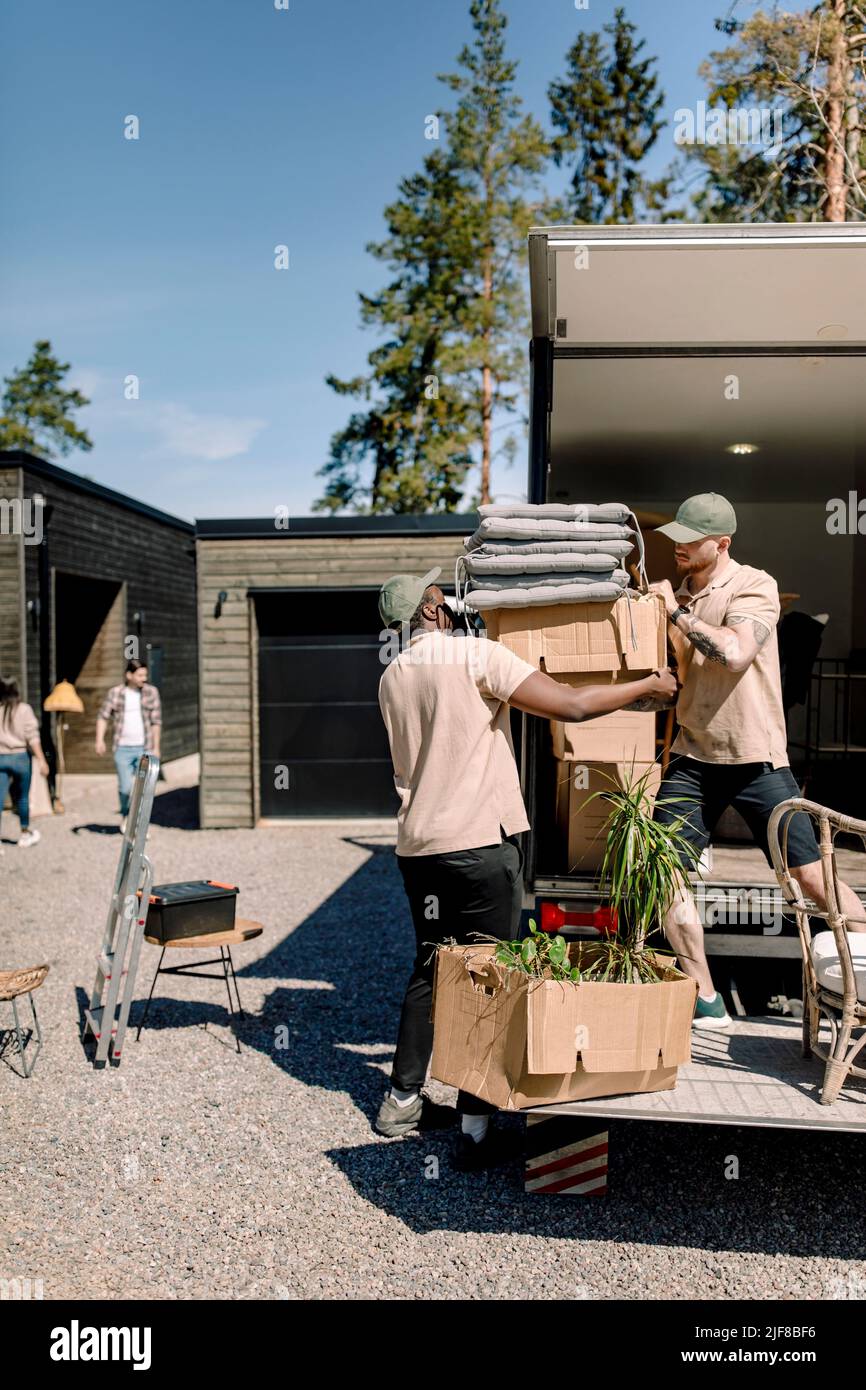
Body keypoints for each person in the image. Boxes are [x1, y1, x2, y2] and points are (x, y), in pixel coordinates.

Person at [376, 567, 678, 1168]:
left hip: (420, 847)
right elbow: (570, 705)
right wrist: (648, 683)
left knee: (432, 967)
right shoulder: (475, 656)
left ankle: (401, 1102)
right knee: (487, 977)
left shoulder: (392, 677)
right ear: (432, 610)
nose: (452, 604)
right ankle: (474, 1131)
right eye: (442, 598)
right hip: (478, 846)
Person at [649, 493, 865, 1030]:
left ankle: (861, 980)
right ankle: (705, 997)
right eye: (676, 537)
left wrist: (675, 612)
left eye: (690, 539)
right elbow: (682, 677)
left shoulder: (753, 585)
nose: (678, 547)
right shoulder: (679, 594)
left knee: (812, 878)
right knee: (659, 870)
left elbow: (736, 653)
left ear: (721, 544)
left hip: (755, 758)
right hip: (693, 756)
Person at [95, 659, 162, 822]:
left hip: (144, 748)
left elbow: (156, 721)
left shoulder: (151, 692)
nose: (144, 678)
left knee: (144, 789)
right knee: (125, 788)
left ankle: (139, 824)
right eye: (140, 675)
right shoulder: (116, 693)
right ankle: (126, 816)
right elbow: (103, 717)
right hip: (122, 748)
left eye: (145, 675)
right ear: (129, 675)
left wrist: (156, 747)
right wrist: (99, 740)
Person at [0, 676, 50, 848]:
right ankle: (24, 833)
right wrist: (42, 760)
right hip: (20, 757)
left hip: (1, 756)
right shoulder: (24, 709)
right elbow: (33, 738)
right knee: (22, 798)